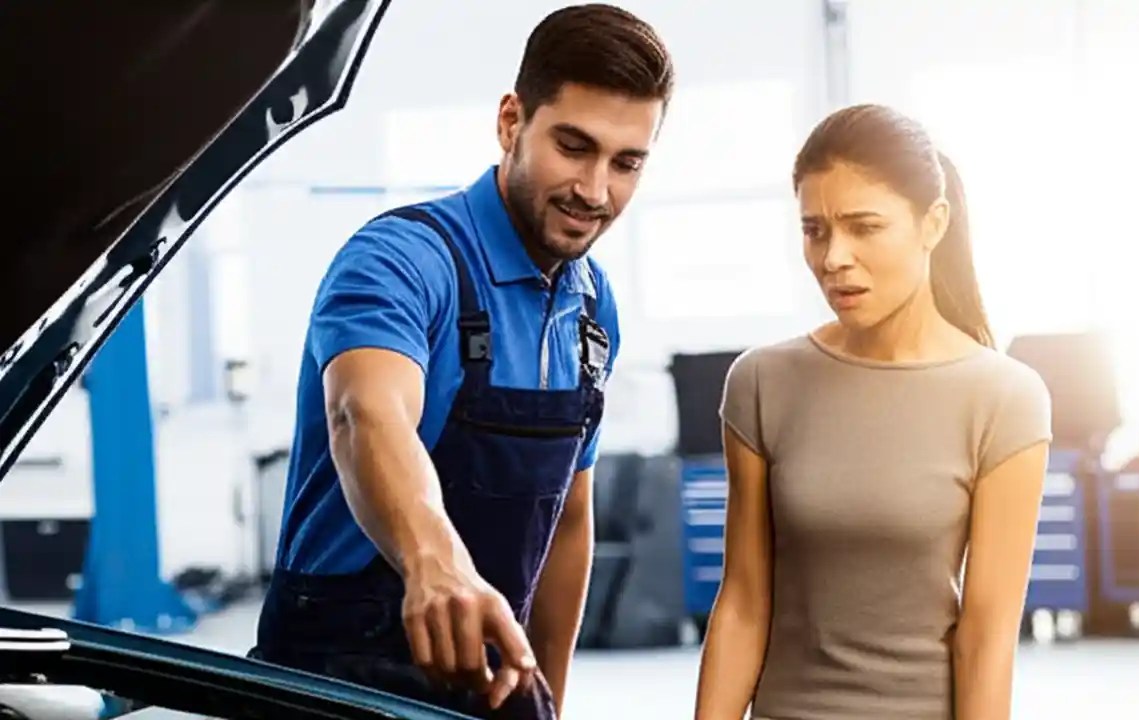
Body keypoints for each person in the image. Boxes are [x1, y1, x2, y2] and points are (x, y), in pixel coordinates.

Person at [250, 5, 674, 718]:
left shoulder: (593, 308)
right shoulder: (399, 262)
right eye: (573, 146)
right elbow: (366, 416)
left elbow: (569, 522)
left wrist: (550, 700)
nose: (595, 191)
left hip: (494, 676)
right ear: (512, 121)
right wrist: (433, 562)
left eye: (626, 162)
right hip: (335, 678)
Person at [693, 104, 1052, 720]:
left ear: (932, 224)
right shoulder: (762, 382)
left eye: (864, 227)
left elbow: (986, 640)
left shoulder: (1004, 398)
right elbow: (744, 604)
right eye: (815, 230)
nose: (834, 257)